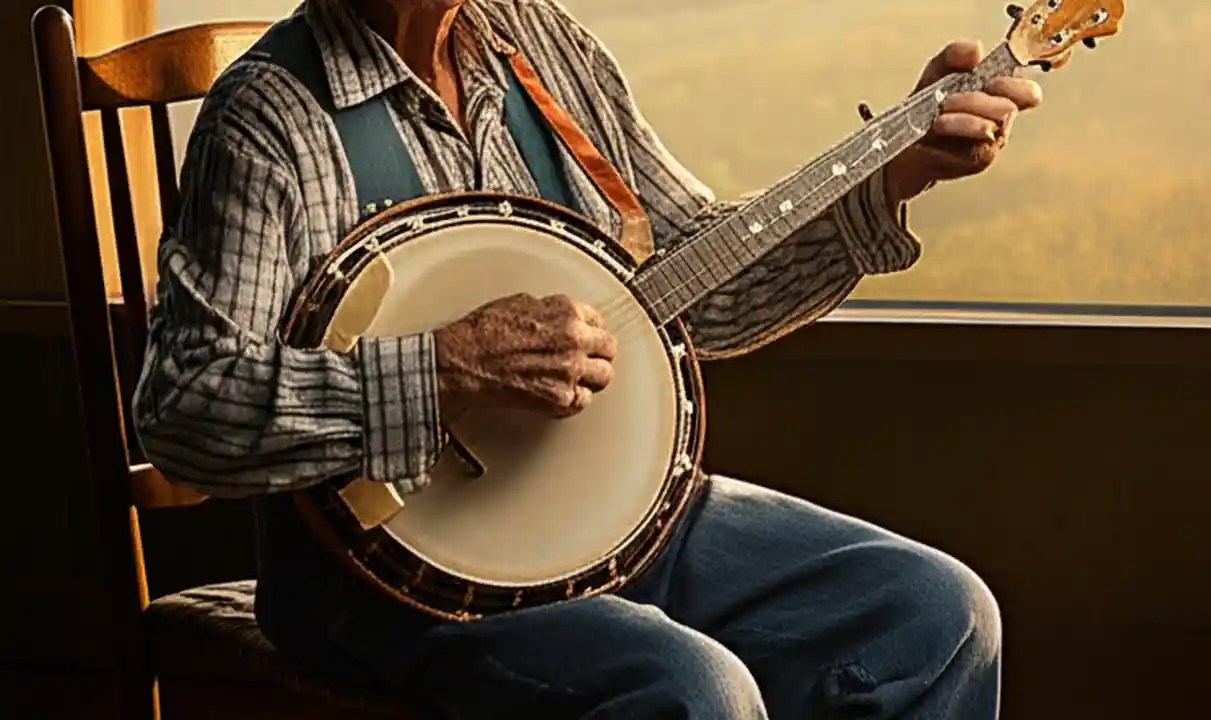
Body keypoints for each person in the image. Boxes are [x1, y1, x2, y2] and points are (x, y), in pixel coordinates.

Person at [132, 0, 1043, 717]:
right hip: (378, 583)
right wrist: (444, 370)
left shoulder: (544, 45)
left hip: (614, 526)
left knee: (938, 616)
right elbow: (185, 408)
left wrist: (894, 172)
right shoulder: (268, 117)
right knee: (695, 692)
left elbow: (703, 289)